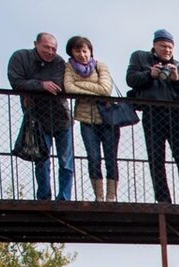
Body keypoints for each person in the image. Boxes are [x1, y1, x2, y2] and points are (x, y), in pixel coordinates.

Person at [126, 29, 179, 205]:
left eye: (170, 47)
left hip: (175, 116)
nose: (167, 50)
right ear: (154, 45)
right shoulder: (139, 57)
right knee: (156, 158)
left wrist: (176, 80)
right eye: (163, 46)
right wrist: (150, 74)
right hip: (152, 113)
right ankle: (163, 199)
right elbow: (131, 79)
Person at [8, 33, 74, 201]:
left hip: (61, 116)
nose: (50, 52)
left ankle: (64, 197)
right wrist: (41, 85)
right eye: (46, 47)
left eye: (53, 49)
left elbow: (57, 86)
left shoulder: (59, 62)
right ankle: (44, 196)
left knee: (66, 161)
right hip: (36, 118)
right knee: (42, 160)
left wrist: (31, 86)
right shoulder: (21, 57)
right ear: (36, 44)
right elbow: (16, 82)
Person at [63, 36, 119, 201]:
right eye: (77, 51)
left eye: (85, 50)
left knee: (111, 158)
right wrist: (95, 90)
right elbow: (68, 88)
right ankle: (99, 196)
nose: (82, 54)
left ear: (90, 51)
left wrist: (79, 85)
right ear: (72, 52)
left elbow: (105, 89)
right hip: (86, 119)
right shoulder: (69, 68)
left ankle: (111, 195)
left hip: (108, 119)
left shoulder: (100, 66)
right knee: (93, 158)